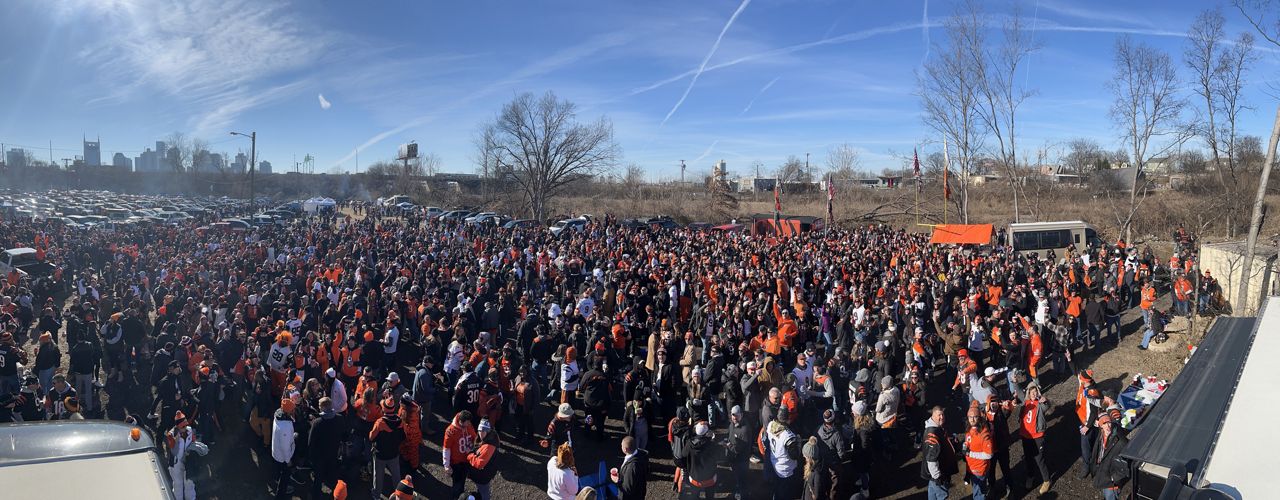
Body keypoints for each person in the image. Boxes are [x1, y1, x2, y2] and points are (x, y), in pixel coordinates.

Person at [308, 397, 348, 498]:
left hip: (319, 456)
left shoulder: (317, 423)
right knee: (332, 474)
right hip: (333, 453)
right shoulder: (339, 418)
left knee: (318, 478)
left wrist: (311, 457)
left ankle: (316, 495)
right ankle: (336, 494)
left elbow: (311, 442)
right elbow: (344, 435)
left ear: (322, 408)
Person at [1019, 382, 1053, 494]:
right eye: (1031, 392)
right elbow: (1019, 394)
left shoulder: (1040, 404)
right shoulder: (1025, 403)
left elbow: (1047, 405)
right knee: (1028, 458)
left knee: (1039, 459)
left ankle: (1047, 480)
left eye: (1035, 392)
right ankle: (1031, 476)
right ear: (1028, 393)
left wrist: (1046, 400)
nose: (1033, 394)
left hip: (1037, 437)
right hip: (1025, 436)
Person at [369, 396, 405, 498]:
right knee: (396, 475)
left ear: (384, 409)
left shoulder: (380, 423)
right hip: (394, 453)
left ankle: (376, 495)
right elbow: (403, 437)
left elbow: (371, 437)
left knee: (378, 476)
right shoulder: (400, 422)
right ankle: (399, 494)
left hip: (380, 454)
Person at [921, 406, 957, 500]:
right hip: (937, 472)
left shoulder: (937, 428)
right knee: (942, 495)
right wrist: (937, 477)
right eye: (939, 415)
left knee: (932, 493)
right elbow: (931, 459)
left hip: (933, 473)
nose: (942, 417)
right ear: (933, 415)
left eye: (943, 414)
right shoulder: (932, 434)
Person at [1091, 414, 1130, 500]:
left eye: (1109, 423)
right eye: (1104, 424)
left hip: (1111, 483)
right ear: (1101, 426)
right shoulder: (1101, 436)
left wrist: (1112, 478)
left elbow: (1125, 466)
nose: (1108, 426)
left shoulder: (1121, 442)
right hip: (1102, 475)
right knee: (1106, 495)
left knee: (1110, 497)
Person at [444, 410, 478, 497]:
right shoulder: (450, 431)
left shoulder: (468, 425)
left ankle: (461, 495)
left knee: (462, 481)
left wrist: (473, 446)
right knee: (457, 484)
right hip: (456, 463)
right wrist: (446, 465)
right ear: (460, 422)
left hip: (467, 460)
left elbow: (474, 437)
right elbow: (446, 449)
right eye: (467, 423)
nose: (469, 424)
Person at [963, 405, 993, 500]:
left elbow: (989, 454)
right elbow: (969, 441)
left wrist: (970, 454)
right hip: (971, 467)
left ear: (979, 418)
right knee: (978, 489)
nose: (972, 419)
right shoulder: (969, 429)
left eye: (975, 417)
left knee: (979, 494)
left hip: (979, 469)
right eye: (970, 417)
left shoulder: (984, 433)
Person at [270, 398, 297, 499]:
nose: (294, 410)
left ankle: (277, 479)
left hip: (276, 452)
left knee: (278, 469)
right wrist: (288, 460)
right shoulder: (285, 426)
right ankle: (281, 493)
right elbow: (285, 447)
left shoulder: (278, 415)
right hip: (283, 456)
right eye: (292, 409)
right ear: (288, 411)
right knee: (285, 475)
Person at [468, 418, 500, 500]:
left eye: (483, 431)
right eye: (479, 430)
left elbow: (479, 464)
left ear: (488, 431)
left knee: (484, 492)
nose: (480, 433)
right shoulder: (491, 438)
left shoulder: (488, 447)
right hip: (487, 472)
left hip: (483, 476)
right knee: (483, 490)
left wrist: (470, 455)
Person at [616, 435, 649, 500]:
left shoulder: (632, 467)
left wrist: (617, 481)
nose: (621, 447)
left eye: (621, 445)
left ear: (626, 449)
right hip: (639, 493)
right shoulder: (641, 455)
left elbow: (627, 489)